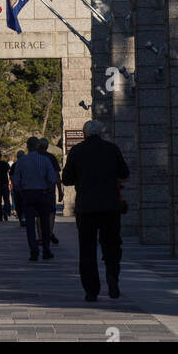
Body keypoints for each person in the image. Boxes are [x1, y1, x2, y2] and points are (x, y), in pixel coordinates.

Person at [61, 119, 130, 301]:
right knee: (112, 244)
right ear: (101, 133)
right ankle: (112, 276)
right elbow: (124, 173)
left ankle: (91, 290)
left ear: (84, 134)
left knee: (87, 249)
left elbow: (66, 179)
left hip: (86, 207)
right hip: (110, 206)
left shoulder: (77, 151)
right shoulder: (112, 149)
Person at [15, 136, 58, 262]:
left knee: (30, 224)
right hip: (42, 193)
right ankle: (46, 250)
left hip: (28, 194)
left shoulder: (22, 161)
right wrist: (48, 190)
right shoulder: (45, 160)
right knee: (44, 223)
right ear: (38, 146)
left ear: (27, 146)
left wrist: (21, 191)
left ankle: (33, 251)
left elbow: (16, 180)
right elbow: (52, 178)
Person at [38, 137, 63, 245]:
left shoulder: (36, 157)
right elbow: (57, 176)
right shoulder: (51, 158)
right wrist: (60, 191)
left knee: (38, 213)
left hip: (37, 189)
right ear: (47, 146)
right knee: (51, 212)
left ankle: (40, 236)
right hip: (49, 189)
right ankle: (49, 233)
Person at [10, 151, 26, 226]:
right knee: (24, 204)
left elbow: (11, 176)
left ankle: (21, 220)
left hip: (17, 188)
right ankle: (24, 218)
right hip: (26, 188)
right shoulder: (27, 164)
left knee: (18, 204)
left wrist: (14, 183)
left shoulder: (14, 164)